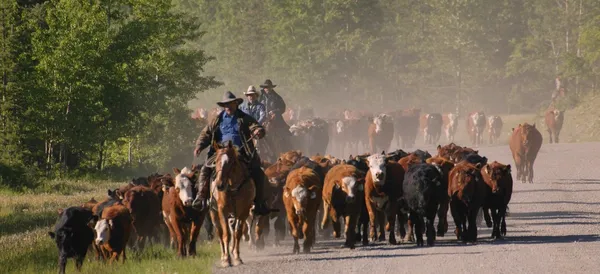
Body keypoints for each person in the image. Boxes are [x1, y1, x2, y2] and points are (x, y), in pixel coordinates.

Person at [192, 91, 271, 215]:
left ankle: (259, 202)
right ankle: (201, 197)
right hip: (219, 151)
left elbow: (255, 126)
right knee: (205, 170)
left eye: (230, 104)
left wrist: (258, 131)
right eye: (225, 104)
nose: (227, 107)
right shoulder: (217, 120)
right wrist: (199, 146)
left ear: (236, 104)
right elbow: (205, 133)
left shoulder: (244, 117)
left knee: (258, 172)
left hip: (241, 151)